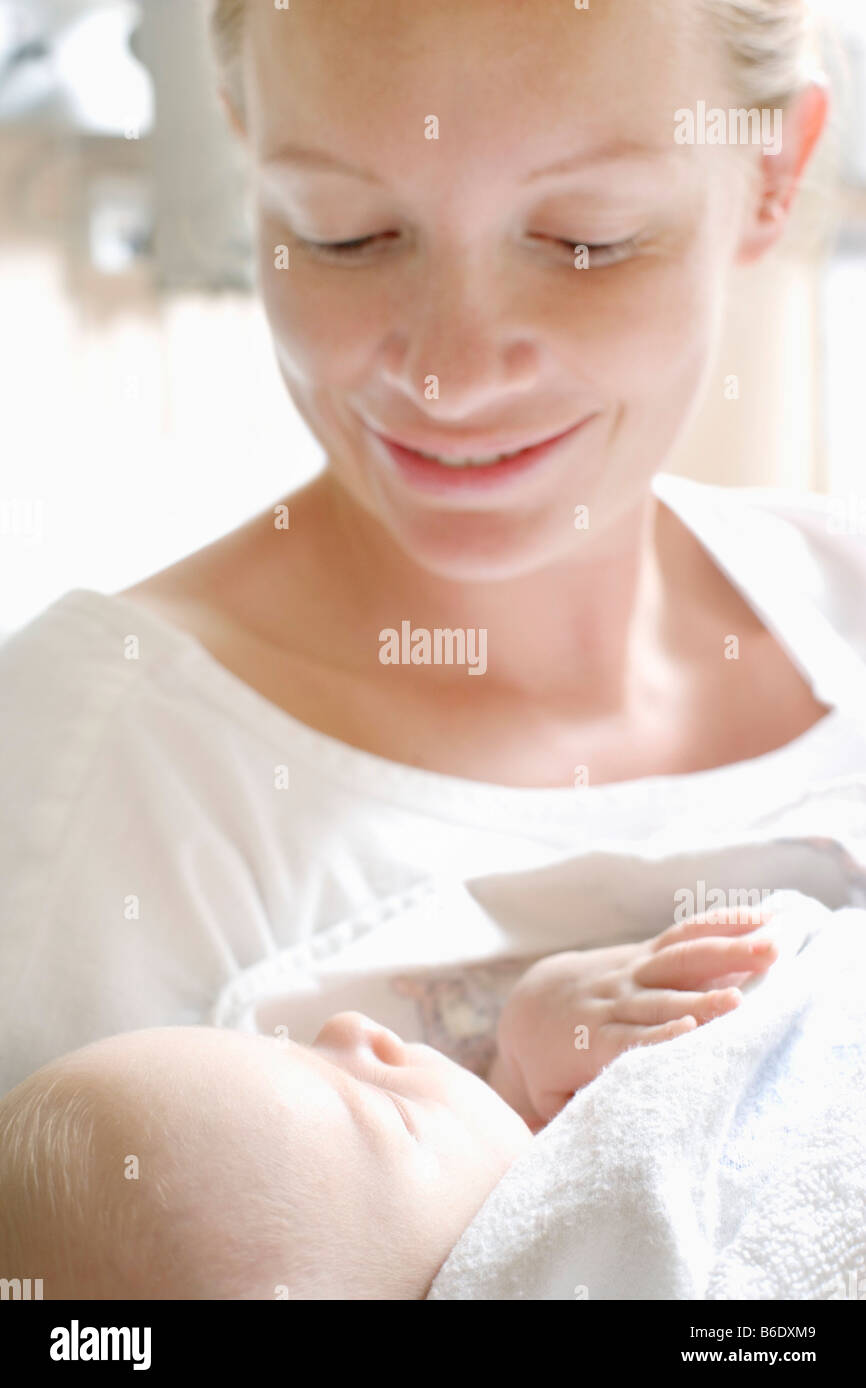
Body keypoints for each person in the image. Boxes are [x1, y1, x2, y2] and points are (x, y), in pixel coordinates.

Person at [1, 0, 864, 1107]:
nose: (450, 375)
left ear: (771, 173)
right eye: (342, 231)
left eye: (582, 239)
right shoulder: (106, 785)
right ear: (244, 150)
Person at [0, 909, 777, 1299]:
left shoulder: (458, 1207)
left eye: (296, 1046)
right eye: (385, 1114)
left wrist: (527, 1049)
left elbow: (490, 1178)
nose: (353, 1027)